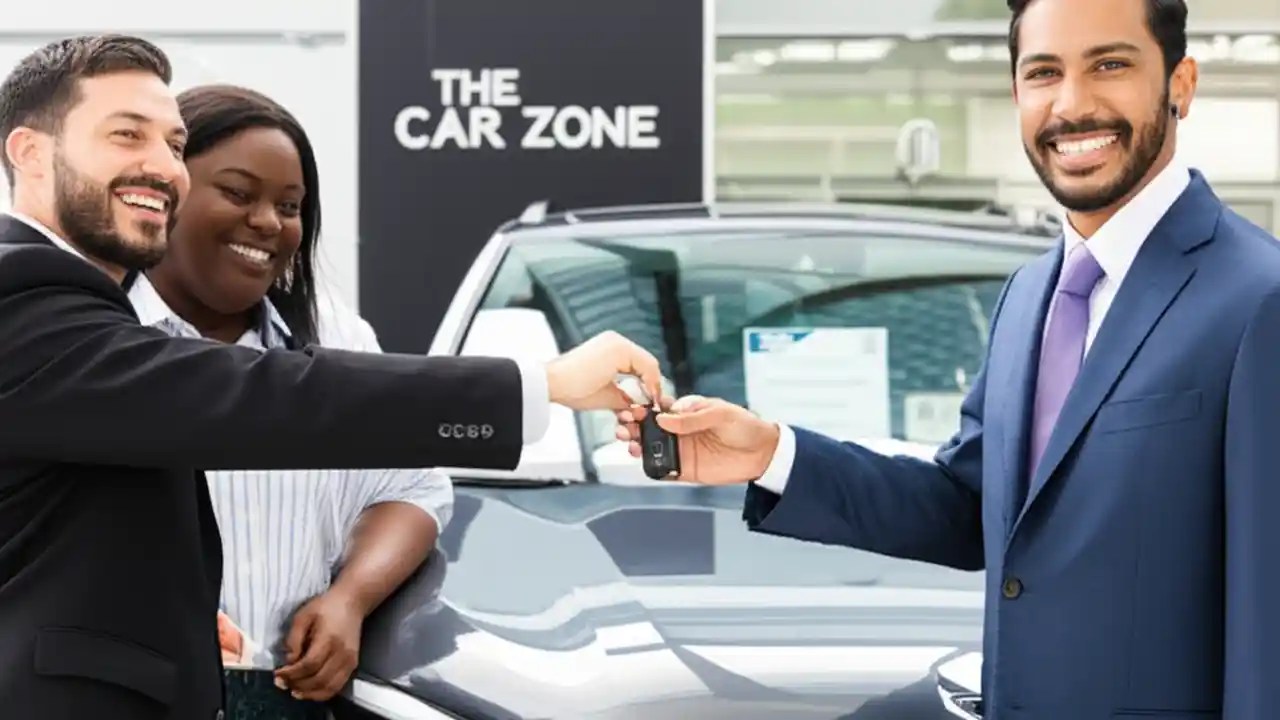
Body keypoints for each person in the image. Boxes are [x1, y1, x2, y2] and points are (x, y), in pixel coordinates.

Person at [619, 0, 1280, 717]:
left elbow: (1267, 627)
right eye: (1043, 72)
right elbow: (970, 508)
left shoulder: (1257, 299)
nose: (1072, 103)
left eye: (1110, 65)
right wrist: (770, 454)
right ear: (1017, 94)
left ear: (1179, 83)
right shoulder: (1030, 296)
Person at [0, 35, 663, 720]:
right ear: (30, 153)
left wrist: (166, 619)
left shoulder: (73, 310)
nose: (160, 166)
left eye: (171, 144)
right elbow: (259, 399)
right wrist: (541, 384)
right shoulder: (22, 295)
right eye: (125, 135)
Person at [123, 83, 453, 716]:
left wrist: (349, 599)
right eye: (239, 194)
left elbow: (413, 487)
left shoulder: (336, 339)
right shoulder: (95, 335)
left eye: (291, 205)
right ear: (167, 189)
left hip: (287, 697)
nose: (269, 222)